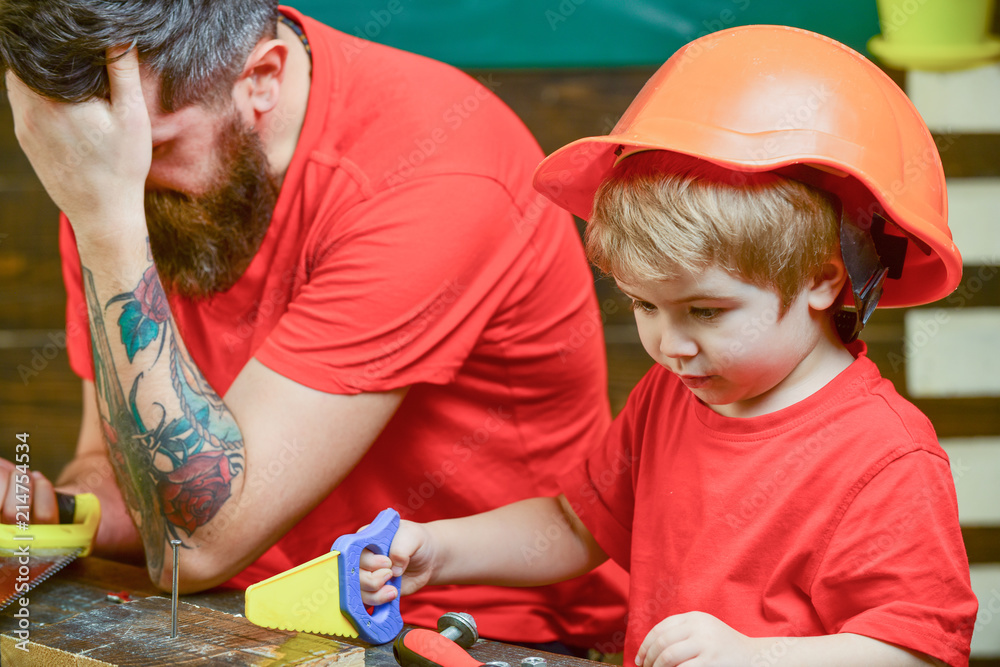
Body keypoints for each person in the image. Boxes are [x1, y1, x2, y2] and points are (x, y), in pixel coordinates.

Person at [0, 0, 629, 650]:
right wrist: (54, 508)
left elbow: (195, 546)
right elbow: (131, 482)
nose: (116, 179)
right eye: (80, 156)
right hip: (235, 613)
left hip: (462, 632)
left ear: (262, 78)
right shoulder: (104, 166)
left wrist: (104, 221)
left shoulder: (437, 171)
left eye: (155, 147)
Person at [358, 25, 980, 666]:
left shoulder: (886, 456)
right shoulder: (671, 394)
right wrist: (441, 551)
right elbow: (574, 526)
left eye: (706, 311)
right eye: (644, 305)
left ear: (822, 280)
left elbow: (918, 651)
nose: (670, 344)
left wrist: (756, 658)